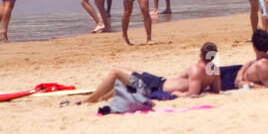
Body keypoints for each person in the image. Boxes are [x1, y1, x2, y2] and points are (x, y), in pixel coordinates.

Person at [81, 43, 222, 105]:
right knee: (129, 75)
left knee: (116, 71)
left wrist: (177, 94)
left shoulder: (195, 69)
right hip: (157, 81)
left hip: (152, 87)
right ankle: (103, 97)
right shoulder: (215, 70)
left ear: (200, 53)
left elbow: (192, 94)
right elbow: (215, 90)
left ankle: (89, 100)